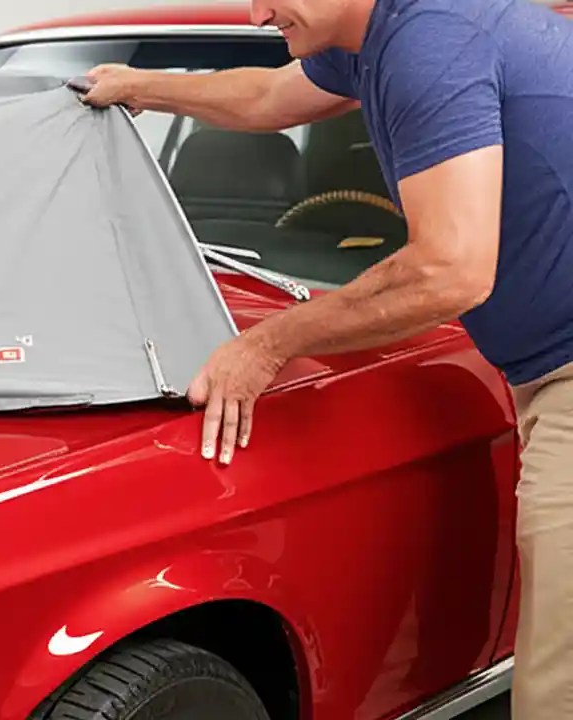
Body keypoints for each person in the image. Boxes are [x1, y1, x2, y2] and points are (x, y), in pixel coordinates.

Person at [80, 0, 573, 716]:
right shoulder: (379, 34)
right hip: (545, 364)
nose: (255, 15)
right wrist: (138, 86)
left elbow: (451, 269)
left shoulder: (431, 45)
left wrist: (269, 341)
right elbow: (270, 96)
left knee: (557, 691)